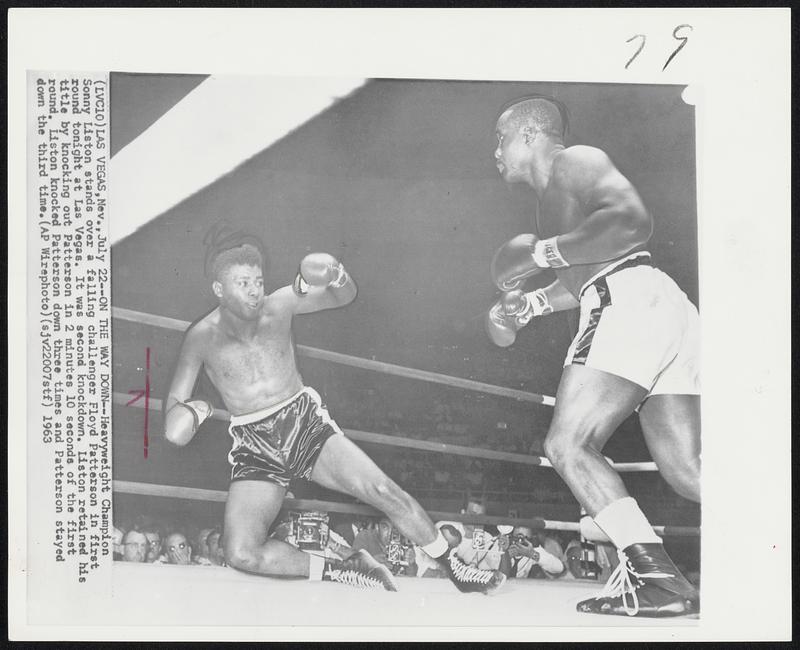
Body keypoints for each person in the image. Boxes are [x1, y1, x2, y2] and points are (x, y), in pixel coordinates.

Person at [164, 226, 504, 593]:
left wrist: (337, 273)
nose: (254, 290)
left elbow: (343, 296)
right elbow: (172, 416)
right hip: (254, 444)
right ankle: (343, 567)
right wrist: (192, 411)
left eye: (258, 281)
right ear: (219, 289)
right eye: (243, 282)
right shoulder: (200, 337)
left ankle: (455, 567)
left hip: (302, 425)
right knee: (242, 553)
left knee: (381, 489)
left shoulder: (280, 303)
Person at [485, 95, 700, 616]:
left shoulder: (573, 160)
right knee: (690, 470)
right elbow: (587, 271)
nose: (495, 152)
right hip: (659, 304)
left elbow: (631, 223)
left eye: (501, 139)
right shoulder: (557, 197)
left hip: (626, 299)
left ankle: (659, 582)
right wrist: (531, 305)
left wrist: (539, 254)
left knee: (567, 443)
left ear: (531, 135)